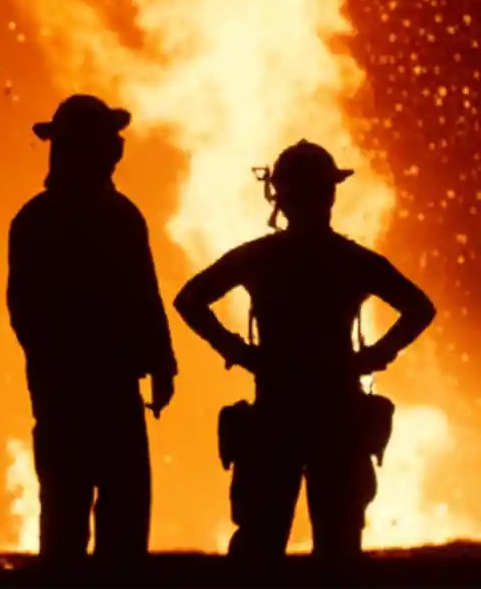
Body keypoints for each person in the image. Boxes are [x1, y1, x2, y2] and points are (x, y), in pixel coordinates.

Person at [174, 140, 436, 562]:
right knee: (338, 543)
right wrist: (372, 357)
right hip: (338, 412)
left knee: (260, 542)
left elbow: (190, 300)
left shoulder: (260, 257)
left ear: (279, 195)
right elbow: (420, 308)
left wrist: (240, 353)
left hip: (276, 408)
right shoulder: (352, 260)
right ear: (330, 194)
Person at [7, 94, 177, 563]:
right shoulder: (112, 217)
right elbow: (28, 311)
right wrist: (157, 364)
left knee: (71, 510)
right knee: (102, 511)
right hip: (89, 390)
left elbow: (144, 295)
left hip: (72, 391)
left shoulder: (41, 219)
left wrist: (160, 363)